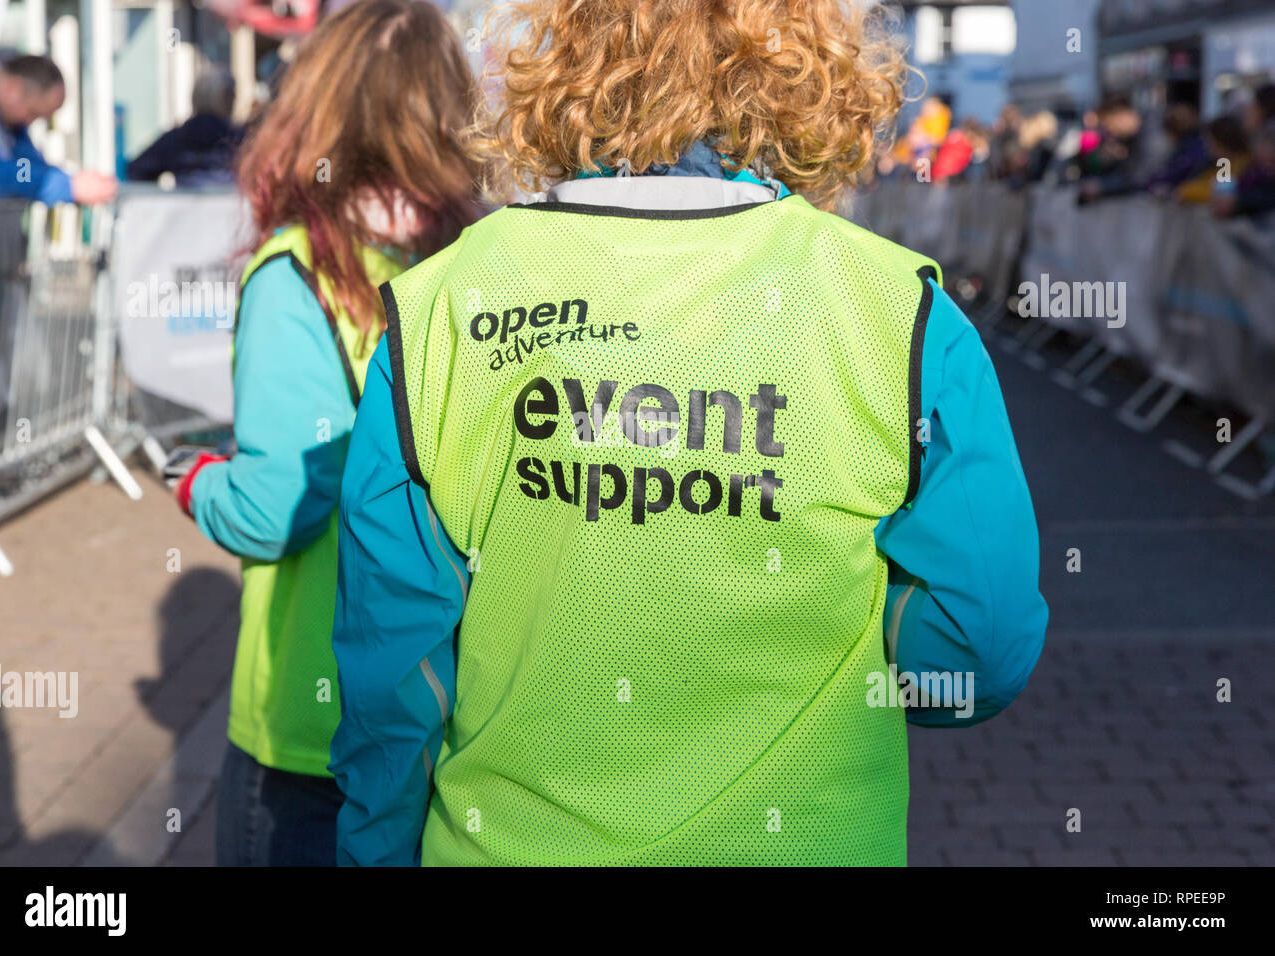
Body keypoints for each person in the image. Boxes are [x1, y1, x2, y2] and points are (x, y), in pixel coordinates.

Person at [330, 0, 1047, 866]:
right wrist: (874, 621)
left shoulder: (442, 303)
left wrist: (374, 851)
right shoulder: (899, 311)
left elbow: (391, 669)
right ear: (810, 60)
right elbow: (979, 650)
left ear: (557, 47)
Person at [171, 0, 480, 866]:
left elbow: (277, 505)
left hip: (309, 729)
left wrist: (196, 482)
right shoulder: (468, 276)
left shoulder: (294, 277)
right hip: (436, 709)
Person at [0, 54, 116, 205]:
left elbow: (25, 165)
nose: (30, 122)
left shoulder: (11, 123)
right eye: (33, 113)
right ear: (13, 88)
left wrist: (73, 182)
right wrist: (69, 186)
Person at [125, 68, 243, 185]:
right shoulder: (238, 139)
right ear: (226, 98)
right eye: (232, 95)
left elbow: (136, 170)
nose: (235, 100)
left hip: (185, 203)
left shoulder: (177, 137)